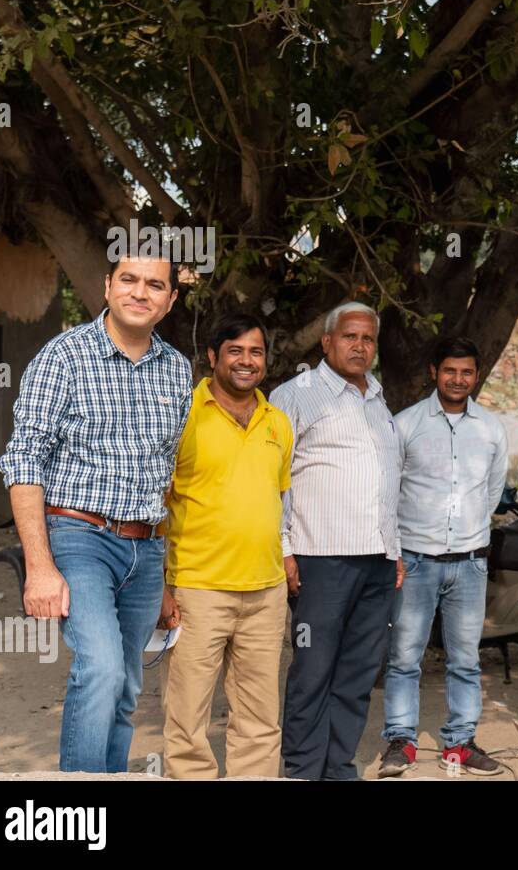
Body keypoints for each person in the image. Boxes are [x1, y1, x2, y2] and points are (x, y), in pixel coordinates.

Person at [0, 254, 192, 772]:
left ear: (170, 300)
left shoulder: (177, 369)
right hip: (79, 536)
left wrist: (167, 578)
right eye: (128, 279)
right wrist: (39, 567)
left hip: (147, 548)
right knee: (102, 669)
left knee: (127, 685)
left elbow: (164, 474)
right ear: (107, 286)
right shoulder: (64, 357)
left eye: (155, 285)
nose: (140, 292)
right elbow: (24, 460)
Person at [270, 301, 404, 780]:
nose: (360, 346)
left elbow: (389, 480)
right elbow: (274, 479)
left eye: (368, 339)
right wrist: (283, 549)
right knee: (313, 670)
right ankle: (303, 770)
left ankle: (338, 767)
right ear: (326, 342)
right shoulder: (296, 395)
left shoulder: (378, 398)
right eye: (349, 336)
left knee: (357, 675)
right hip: (320, 558)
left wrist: (396, 550)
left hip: (376, 561)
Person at [160, 314, 293, 779]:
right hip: (198, 589)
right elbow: (158, 499)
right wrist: (163, 584)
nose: (247, 361)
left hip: (266, 592)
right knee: (187, 719)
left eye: (256, 352)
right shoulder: (182, 413)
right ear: (213, 357)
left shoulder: (278, 421)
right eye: (235, 351)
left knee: (260, 719)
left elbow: (277, 500)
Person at [377, 337, 508, 778]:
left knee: (466, 658)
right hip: (415, 561)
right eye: (450, 370)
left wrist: (469, 532)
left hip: (470, 563)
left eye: (467, 372)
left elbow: (491, 491)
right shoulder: (406, 424)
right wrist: (396, 551)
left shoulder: (490, 428)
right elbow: (387, 492)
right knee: (405, 656)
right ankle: (400, 741)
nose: (458, 379)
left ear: (476, 374)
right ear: (435, 371)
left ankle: (462, 742)